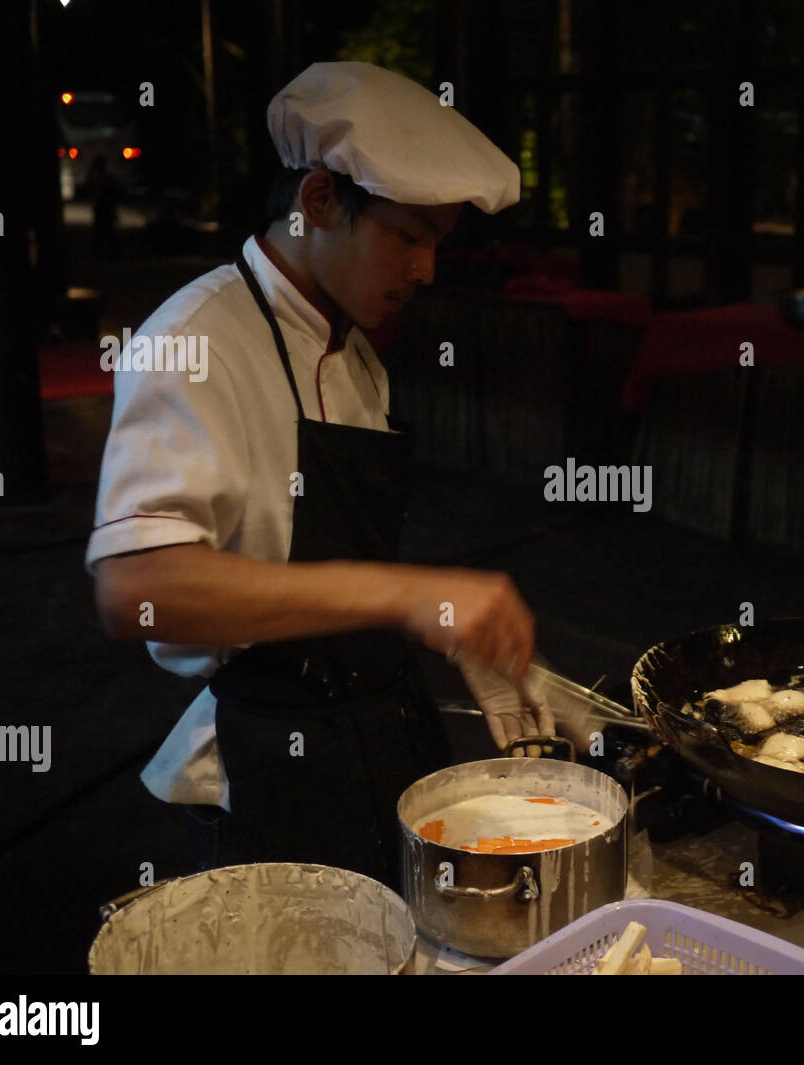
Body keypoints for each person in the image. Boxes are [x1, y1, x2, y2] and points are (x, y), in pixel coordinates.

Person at [86, 62, 553, 889]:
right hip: (270, 765)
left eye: (438, 240)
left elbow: (326, 562)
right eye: (407, 236)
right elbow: (135, 586)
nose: (426, 270)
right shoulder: (196, 340)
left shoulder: (357, 357)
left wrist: (443, 626)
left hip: (380, 741)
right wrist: (404, 594)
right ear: (318, 203)